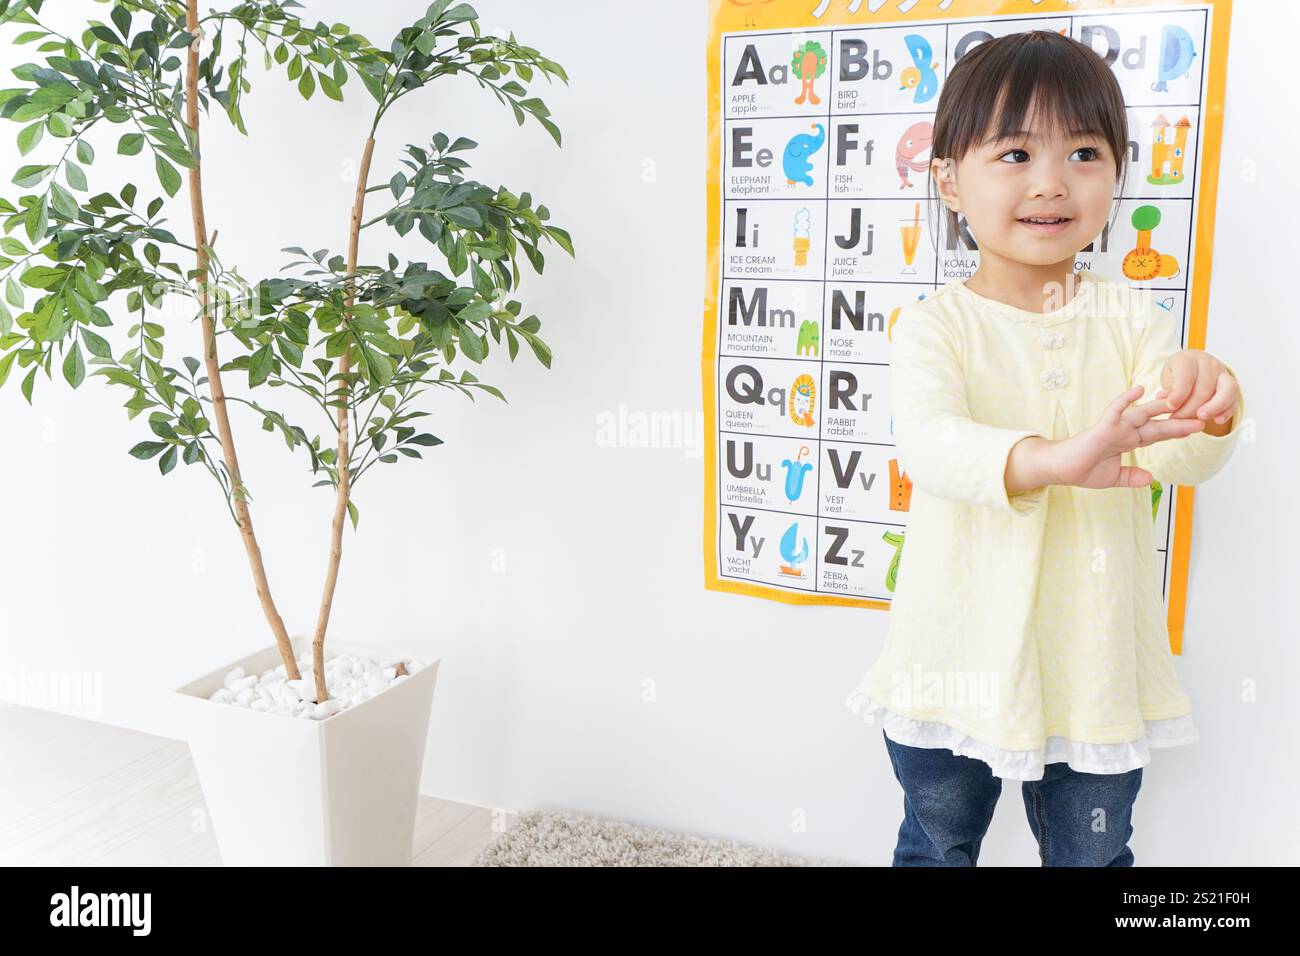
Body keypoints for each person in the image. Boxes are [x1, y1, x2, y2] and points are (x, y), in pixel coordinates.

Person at [849, 30, 1247, 866]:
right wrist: (1048, 460)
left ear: (1116, 174)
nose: (1051, 181)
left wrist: (1210, 413)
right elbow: (931, 444)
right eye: (1017, 151)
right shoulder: (935, 327)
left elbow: (1168, 457)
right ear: (950, 180)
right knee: (936, 841)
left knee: (1094, 855)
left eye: (1085, 151)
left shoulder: (1134, 323)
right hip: (953, 658)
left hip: (1091, 665)